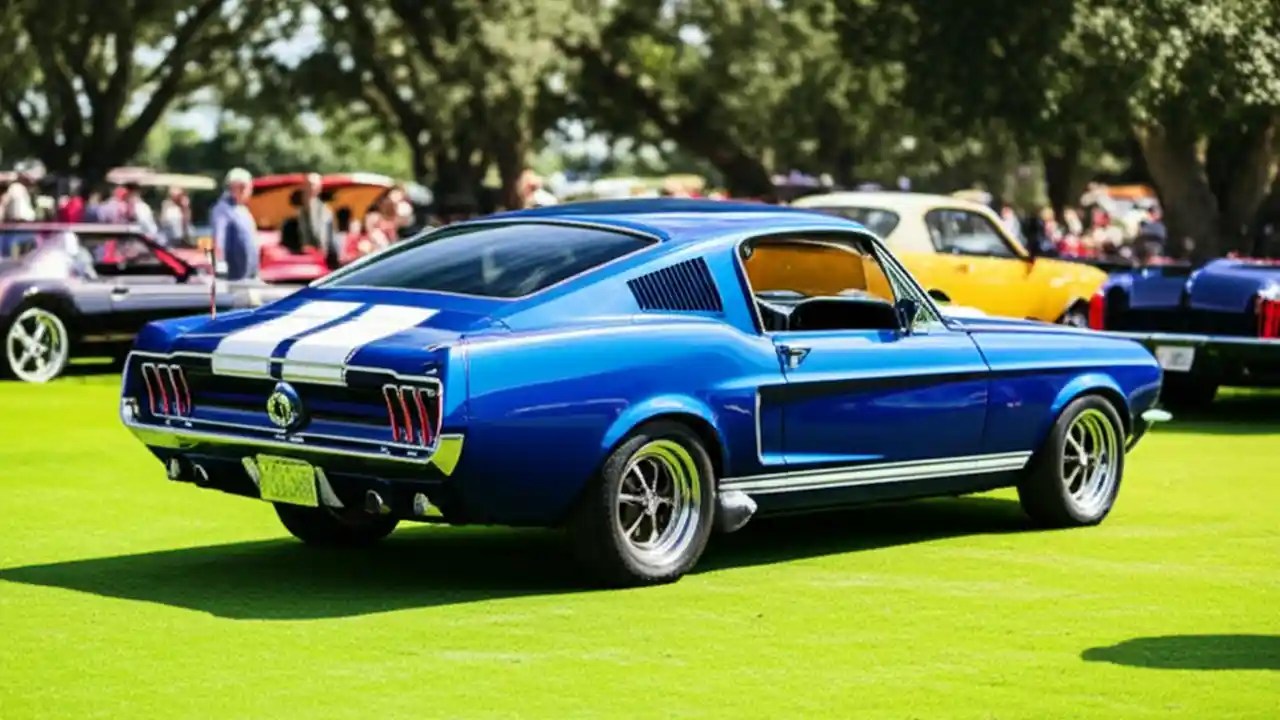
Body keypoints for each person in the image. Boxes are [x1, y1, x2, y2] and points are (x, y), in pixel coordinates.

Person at [211, 168, 259, 281]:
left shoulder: (242, 209)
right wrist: (220, 268)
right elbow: (219, 240)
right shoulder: (222, 210)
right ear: (240, 187)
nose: (250, 192)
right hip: (235, 277)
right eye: (249, 188)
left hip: (248, 275)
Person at [293, 173, 339, 268]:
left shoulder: (325, 212)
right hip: (297, 261)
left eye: (314, 185)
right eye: (309, 185)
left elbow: (326, 239)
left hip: (320, 261)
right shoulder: (295, 213)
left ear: (319, 188)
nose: (311, 188)